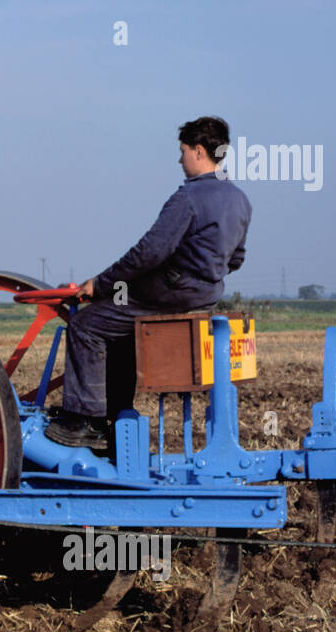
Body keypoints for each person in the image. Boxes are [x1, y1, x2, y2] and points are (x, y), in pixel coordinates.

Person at [45, 116, 251, 450]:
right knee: (122, 334)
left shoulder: (188, 199)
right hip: (206, 297)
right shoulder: (239, 199)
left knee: (86, 325)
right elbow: (237, 258)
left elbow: (148, 253)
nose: (179, 159)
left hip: (169, 294)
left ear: (199, 151)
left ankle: (85, 421)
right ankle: (115, 420)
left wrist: (100, 284)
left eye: (183, 151)